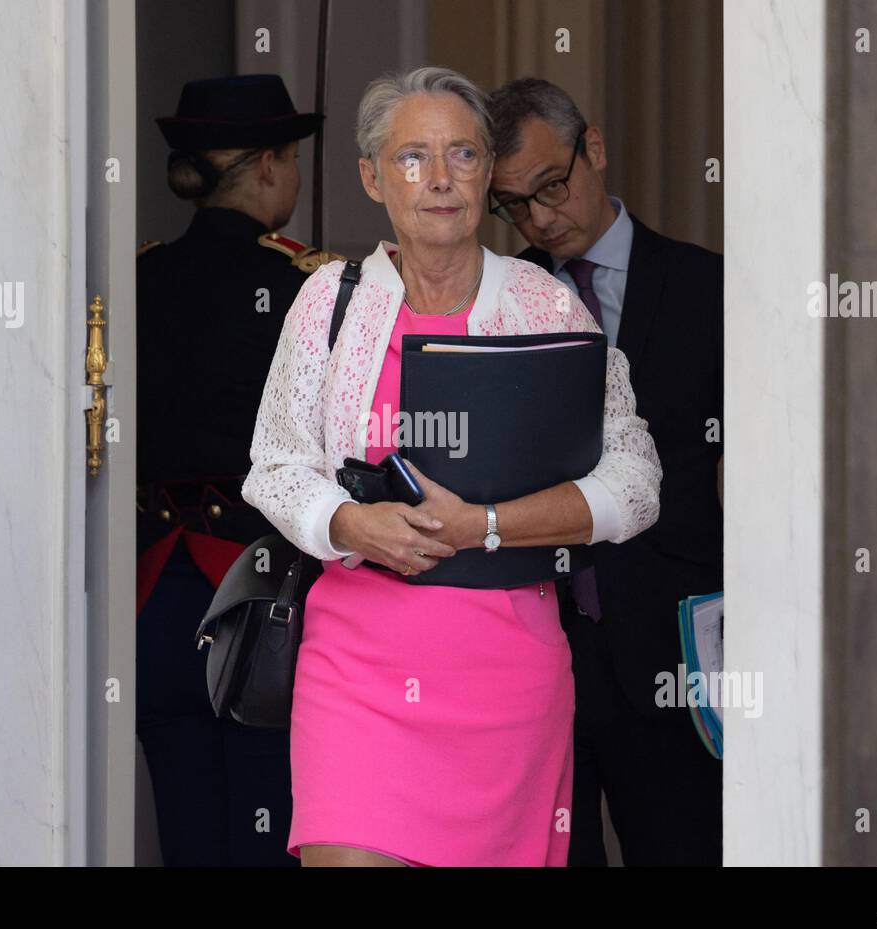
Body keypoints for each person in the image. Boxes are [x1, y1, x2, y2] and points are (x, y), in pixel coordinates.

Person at [241, 66, 662, 867]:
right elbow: (275, 466)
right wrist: (345, 521)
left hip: (506, 669)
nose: (439, 180)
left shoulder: (543, 303)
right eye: (412, 159)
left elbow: (635, 483)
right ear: (372, 177)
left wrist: (487, 527)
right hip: (357, 666)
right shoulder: (331, 298)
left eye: (464, 156)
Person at [486, 77, 724, 865]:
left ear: (594, 149)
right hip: (535, 649)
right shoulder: (499, 302)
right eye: (513, 204)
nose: (539, 217)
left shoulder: (711, 290)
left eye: (551, 186)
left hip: (674, 642)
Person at [136, 74, 338, 866]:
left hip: (158, 600)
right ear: (266, 164)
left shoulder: (141, 276)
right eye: (291, 159)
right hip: (263, 601)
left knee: (188, 837)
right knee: (268, 827)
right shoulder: (302, 285)